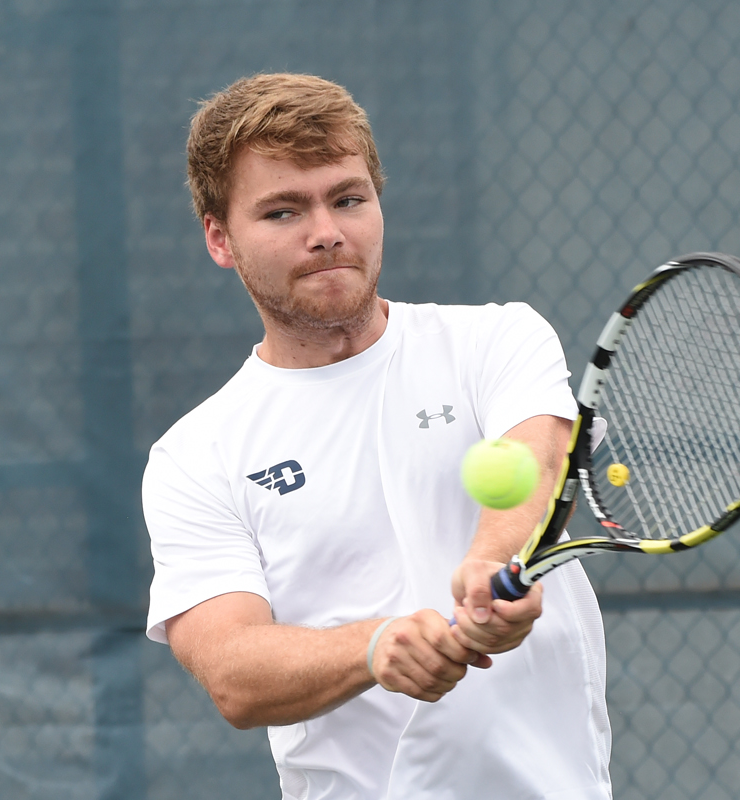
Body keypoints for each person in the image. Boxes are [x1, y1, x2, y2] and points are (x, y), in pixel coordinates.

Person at [141, 73, 611, 800]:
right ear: (220, 238)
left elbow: (539, 458)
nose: (326, 231)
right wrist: (374, 646)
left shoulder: (496, 341)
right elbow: (232, 669)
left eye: (348, 199)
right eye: (283, 211)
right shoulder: (194, 457)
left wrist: (492, 564)